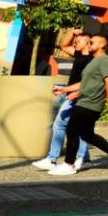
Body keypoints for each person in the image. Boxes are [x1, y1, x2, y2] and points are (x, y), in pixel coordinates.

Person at [49, 36, 108, 175]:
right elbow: (83, 84)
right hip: (84, 101)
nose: (89, 44)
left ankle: (69, 164)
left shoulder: (104, 60)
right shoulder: (94, 62)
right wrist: (64, 89)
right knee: (87, 134)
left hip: (90, 102)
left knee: (72, 131)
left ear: (102, 44)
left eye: (92, 42)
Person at [33, 30, 93, 171]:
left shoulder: (91, 60)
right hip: (72, 96)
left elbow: (90, 81)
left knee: (60, 125)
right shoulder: (78, 55)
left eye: (78, 41)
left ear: (86, 42)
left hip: (80, 96)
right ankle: (83, 159)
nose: (75, 43)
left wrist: (76, 92)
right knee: (75, 128)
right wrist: (72, 34)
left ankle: (52, 159)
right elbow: (63, 45)